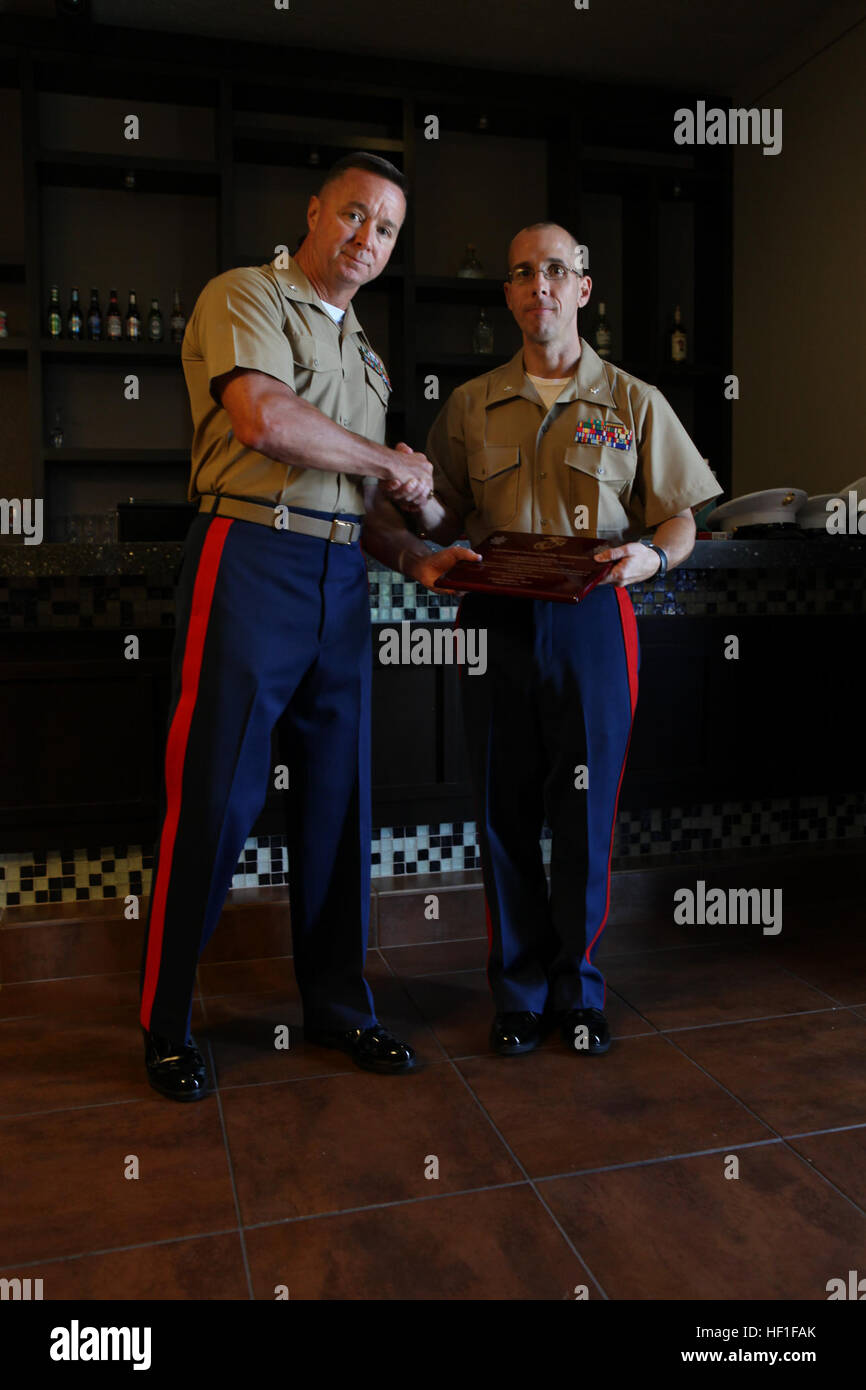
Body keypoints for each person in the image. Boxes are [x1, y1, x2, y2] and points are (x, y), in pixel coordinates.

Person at [139, 153, 463, 1100]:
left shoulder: (366, 354)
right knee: (216, 796)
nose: (368, 237)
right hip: (250, 559)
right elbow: (263, 419)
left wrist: (415, 555)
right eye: (355, 214)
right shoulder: (246, 295)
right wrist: (393, 464)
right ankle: (166, 1022)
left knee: (338, 801)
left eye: (387, 228)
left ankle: (338, 1007)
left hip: (339, 578)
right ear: (315, 212)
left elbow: (351, 501)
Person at [362, 222, 722, 1059]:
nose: (540, 286)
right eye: (524, 273)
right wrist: (418, 502)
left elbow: (680, 516)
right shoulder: (470, 403)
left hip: (593, 619)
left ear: (582, 288)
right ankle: (519, 993)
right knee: (503, 811)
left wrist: (651, 557)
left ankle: (580, 990)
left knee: (585, 815)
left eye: (556, 270)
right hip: (494, 620)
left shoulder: (632, 400)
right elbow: (445, 518)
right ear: (510, 295)